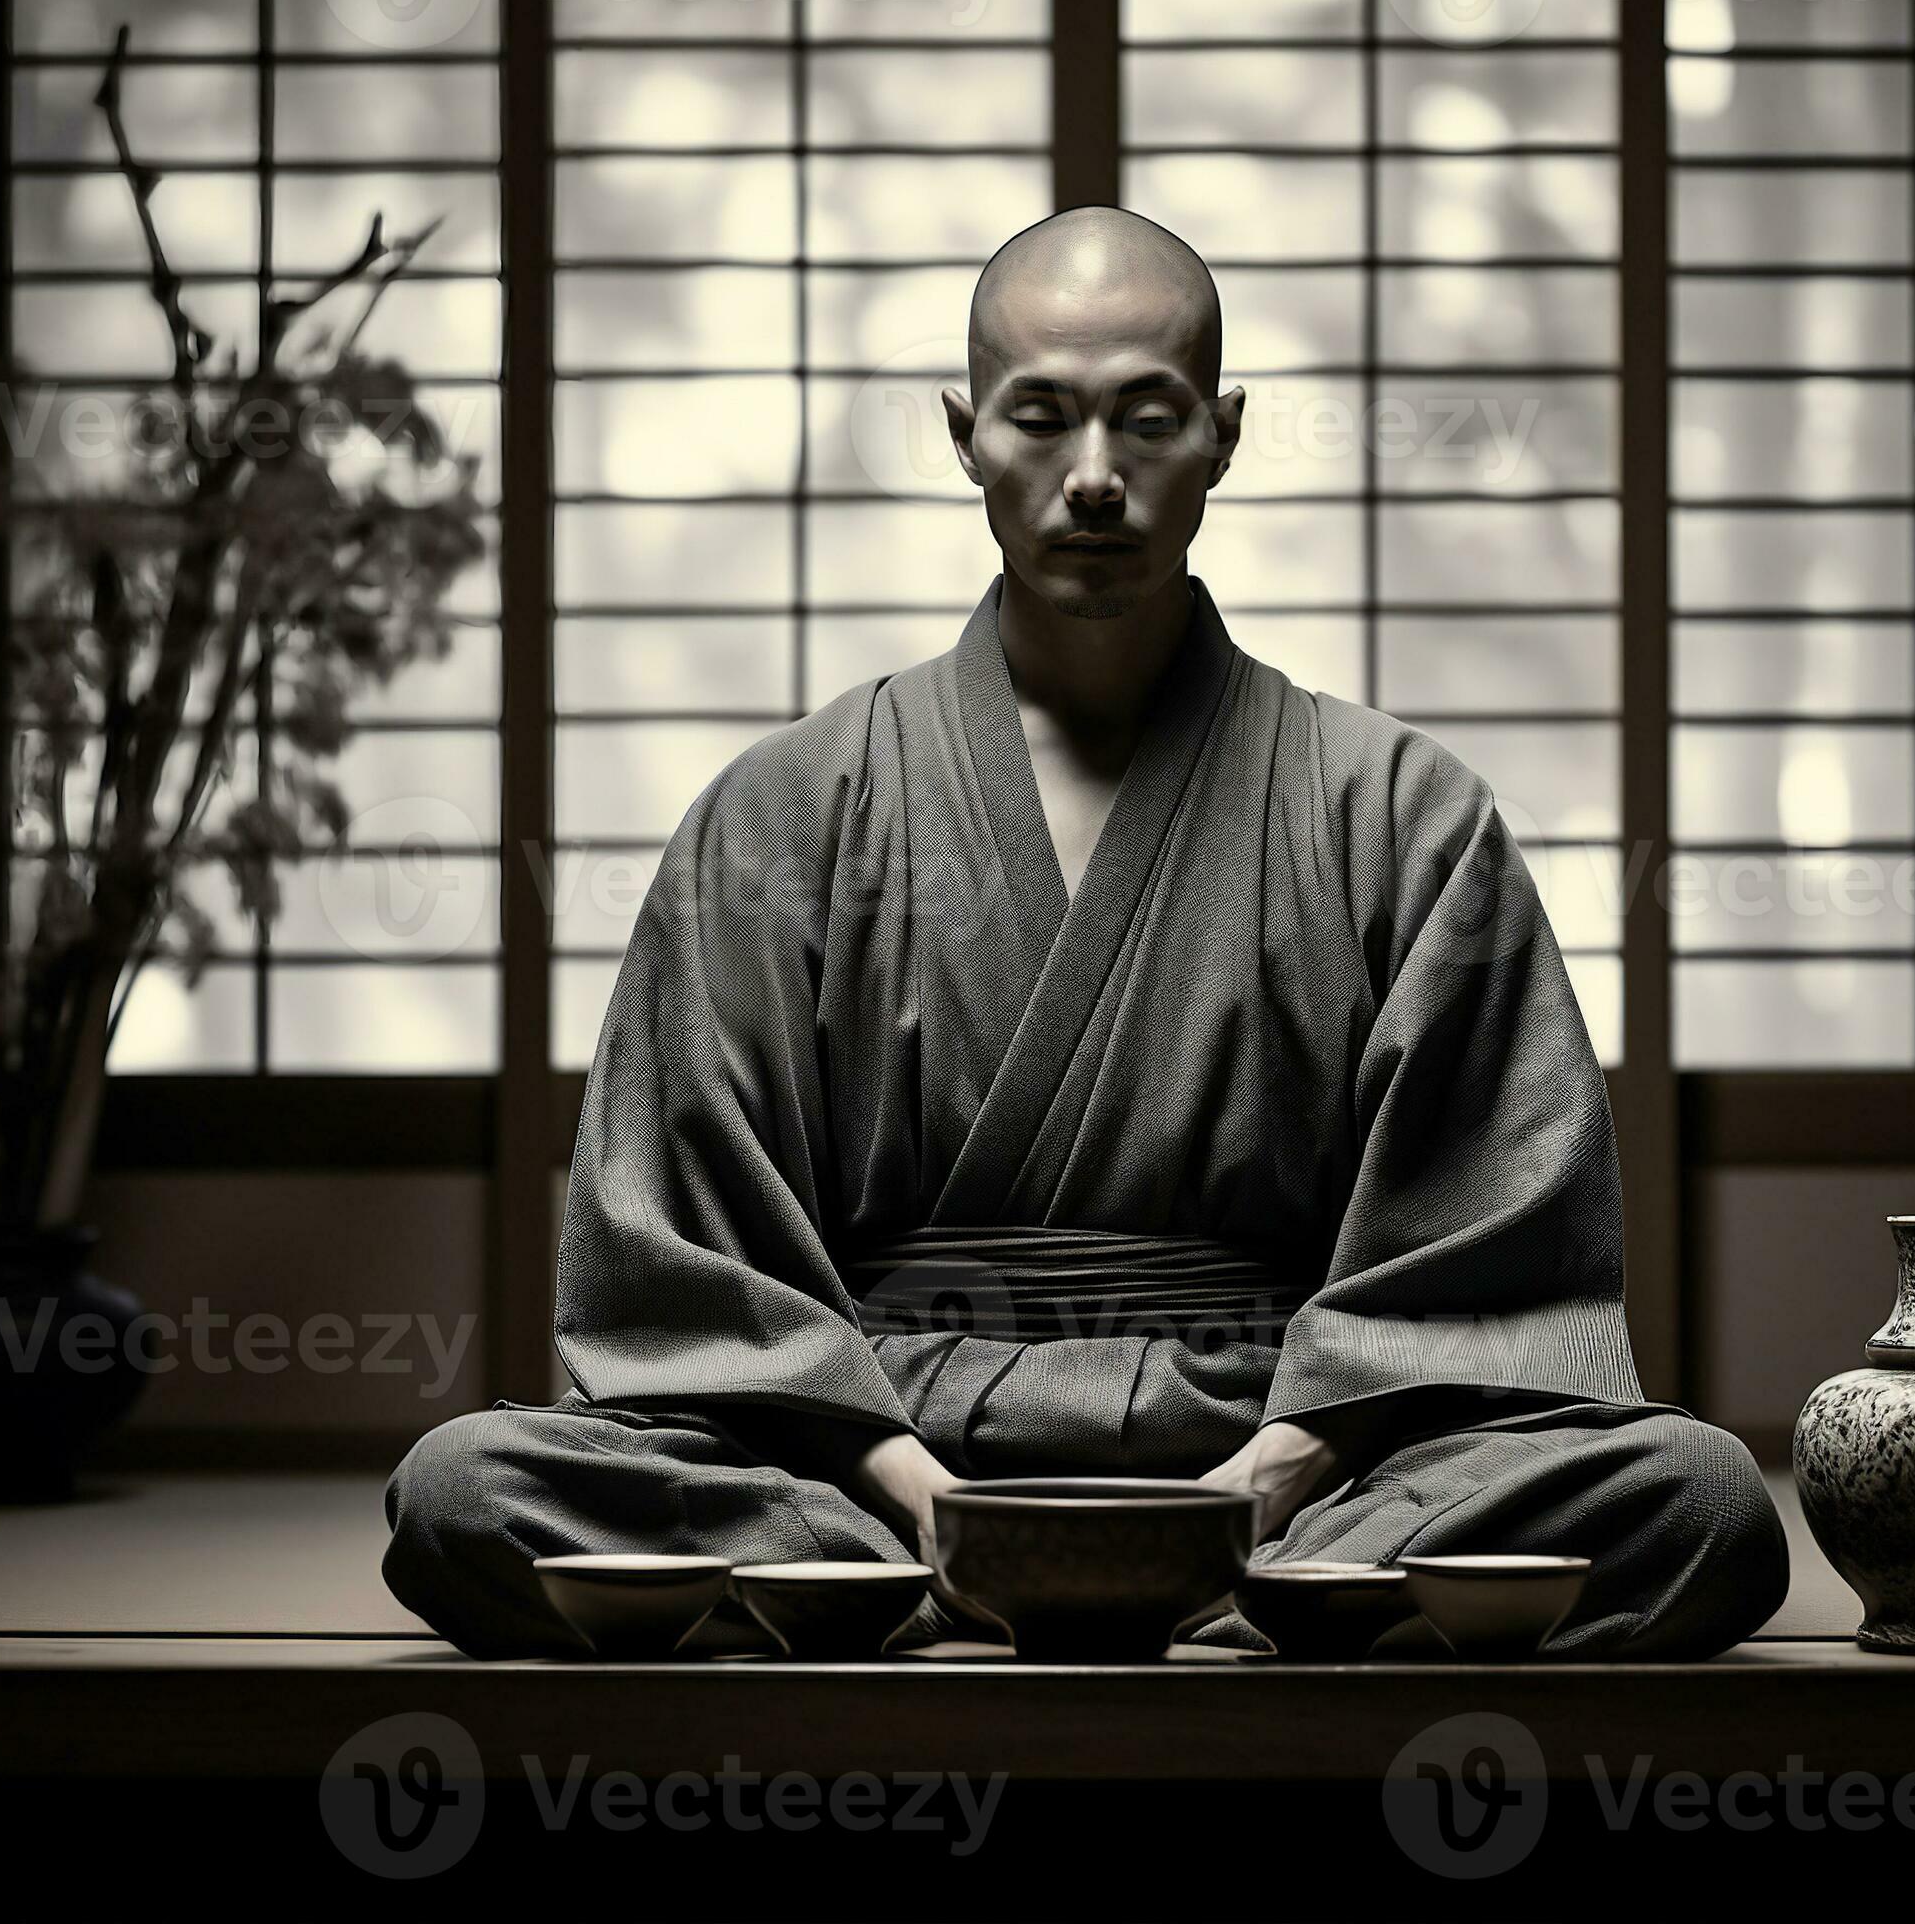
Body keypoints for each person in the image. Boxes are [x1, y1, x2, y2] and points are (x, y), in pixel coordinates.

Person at [384, 207, 1788, 1661]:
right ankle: (1196, 1621)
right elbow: (689, 1263)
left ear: (1224, 435)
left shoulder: (1397, 810)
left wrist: (1251, 1496)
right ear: (965, 435)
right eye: (1042, 417)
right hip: (872, 1454)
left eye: (1151, 419)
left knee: (1693, 1500)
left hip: (1281, 1457)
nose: (1097, 475)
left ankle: (909, 1619)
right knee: (467, 1491)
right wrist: (922, 1500)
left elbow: (1481, 1264)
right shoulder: (782, 812)